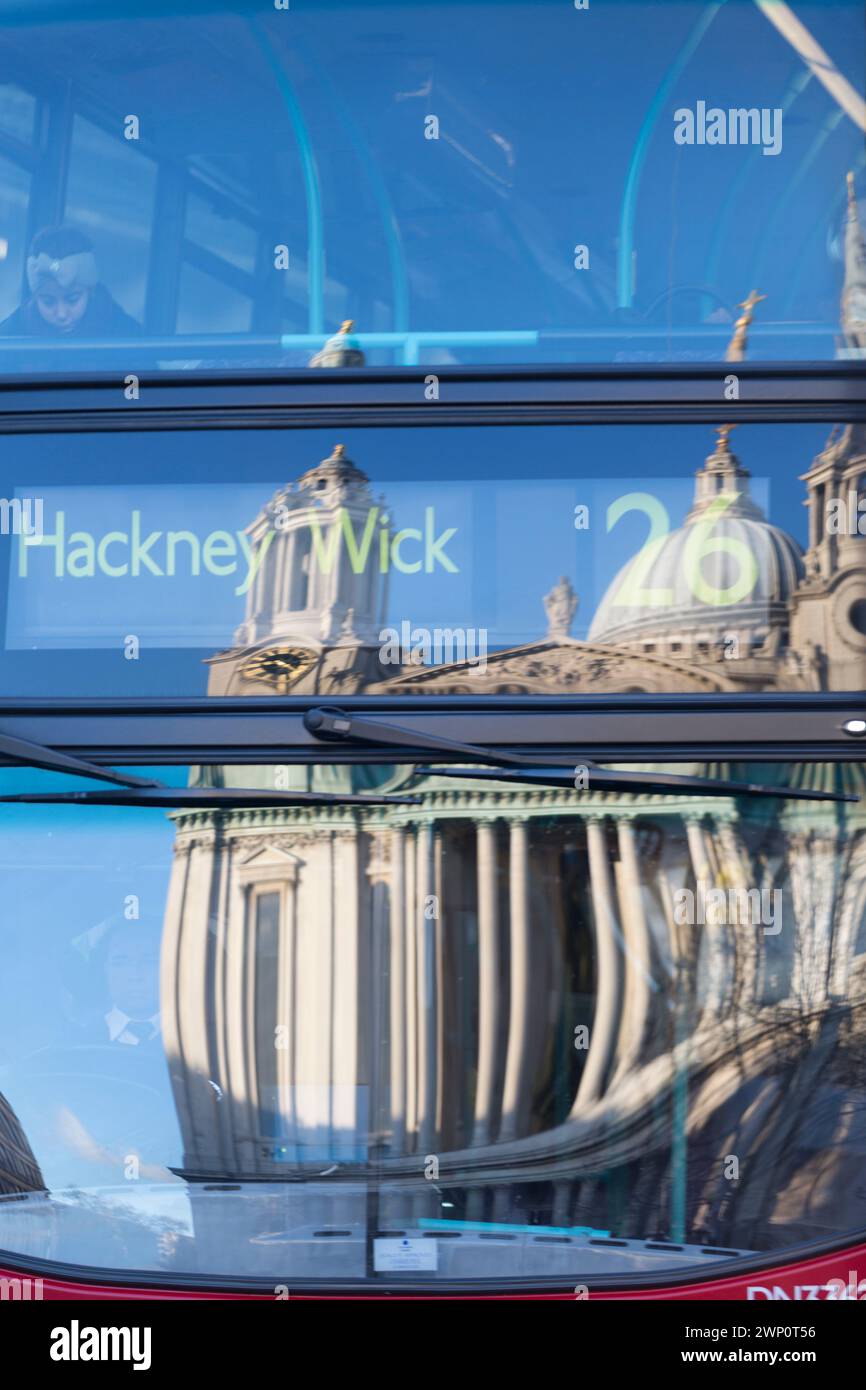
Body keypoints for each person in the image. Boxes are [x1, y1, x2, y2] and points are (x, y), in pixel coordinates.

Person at [0, 224, 141, 338]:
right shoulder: (9, 338)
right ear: (35, 297)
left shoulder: (126, 337)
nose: (61, 314)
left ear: (90, 291)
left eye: (72, 299)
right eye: (48, 302)